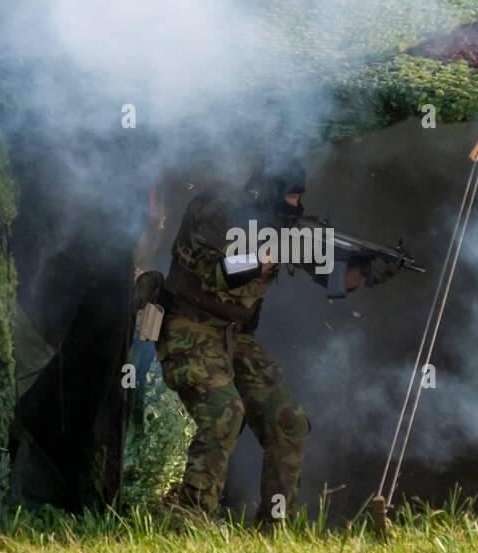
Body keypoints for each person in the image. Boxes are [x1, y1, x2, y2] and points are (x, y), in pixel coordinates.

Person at [155, 152, 403, 524]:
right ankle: (189, 518)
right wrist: (264, 257)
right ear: (267, 192)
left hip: (236, 336)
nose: (297, 205)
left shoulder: (286, 230)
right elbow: (217, 272)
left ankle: (276, 524)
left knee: (288, 422)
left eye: (299, 198)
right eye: (290, 198)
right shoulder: (213, 210)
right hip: (188, 327)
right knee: (226, 411)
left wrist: (369, 271)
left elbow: (332, 278)